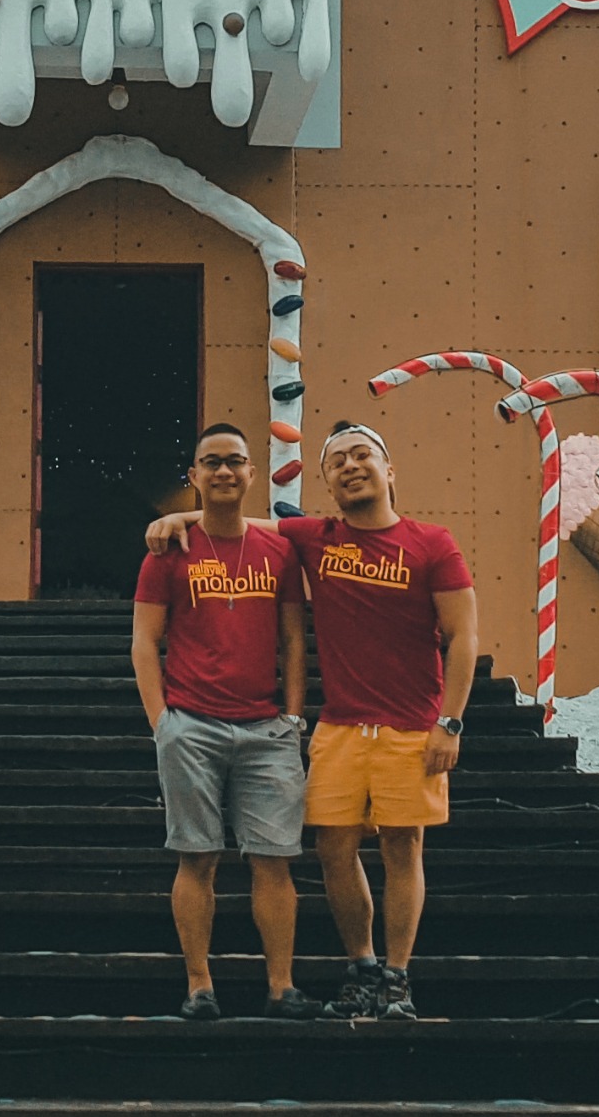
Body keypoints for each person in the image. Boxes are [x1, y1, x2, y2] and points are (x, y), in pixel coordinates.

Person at [147, 417, 478, 1021]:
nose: (351, 466)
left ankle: (398, 979)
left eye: (363, 456)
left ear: (389, 468)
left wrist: (450, 723)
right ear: (326, 480)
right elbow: (236, 518)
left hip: (411, 724)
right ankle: (364, 967)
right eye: (337, 462)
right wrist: (177, 519)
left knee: (404, 848)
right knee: (332, 849)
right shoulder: (314, 536)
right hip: (341, 726)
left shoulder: (434, 542)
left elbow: (462, 637)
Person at [131, 422, 323, 1022]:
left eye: (234, 462)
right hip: (192, 724)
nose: (222, 472)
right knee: (198, 857)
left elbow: (295, 640)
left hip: (267, 729)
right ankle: (198, 985)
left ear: (250, 474)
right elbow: (144, 641)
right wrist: (162, 721)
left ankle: (281, 987)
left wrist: (293, 717)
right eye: (210, 462)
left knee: (274, 860)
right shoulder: (167, 553)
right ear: (193, 475)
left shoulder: (280, 551)